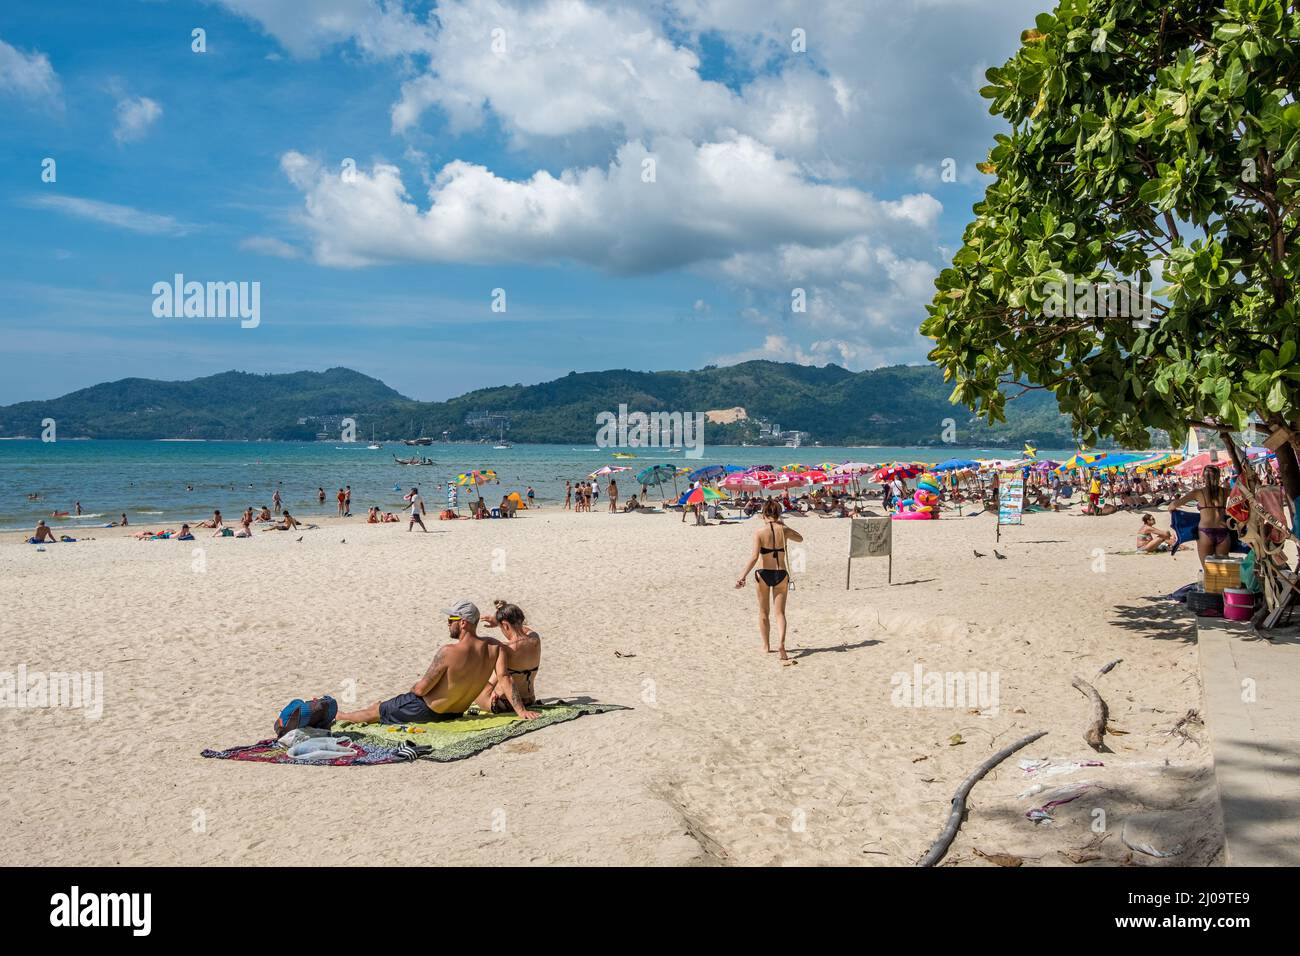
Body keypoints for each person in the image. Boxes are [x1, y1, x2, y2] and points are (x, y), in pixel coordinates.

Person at [336, 601, 501, 725]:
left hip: (426, 710)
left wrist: (413, 689)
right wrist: (499, 622)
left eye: (452, 619)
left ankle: (339, 716)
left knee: (376, 711)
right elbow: (519, 638)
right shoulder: (493, 647)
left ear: (463, 622)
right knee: (383, 706)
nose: (448, 623)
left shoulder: (449, 652)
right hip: (454, 713)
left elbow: (421, 689)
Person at [735, 498, 803, 662]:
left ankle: (766, 646)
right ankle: (781, 643)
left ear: (764, 514)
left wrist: (742, 576)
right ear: (778, 513)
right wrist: (784, 526)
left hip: (763, 573)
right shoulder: (784, 530)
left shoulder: (759, 532)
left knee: (763, 612)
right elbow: (800, 539)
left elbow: (753, 557)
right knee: (780, 613)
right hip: (781, 574)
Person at [473, 600, 541, 719]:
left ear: (505, 625)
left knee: (474, 676)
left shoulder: (505, 648)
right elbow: (523, 629)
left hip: (504, 704)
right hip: (529, 699)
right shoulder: (535, 639)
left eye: (501, 627)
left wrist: (521, 711)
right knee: (504, 671)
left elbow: (506, 679)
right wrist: (499, 621)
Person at [1168, 465, 1231, 568]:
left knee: (1208, 570)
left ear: (1203, 477)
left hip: (1205, 533)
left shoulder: (1198, 492)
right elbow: (1243, 495)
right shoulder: (1225, 491)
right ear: (1219, 476)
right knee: (1222, 571)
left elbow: (1174, 505)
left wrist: (1172, 511)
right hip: (1223, 532)